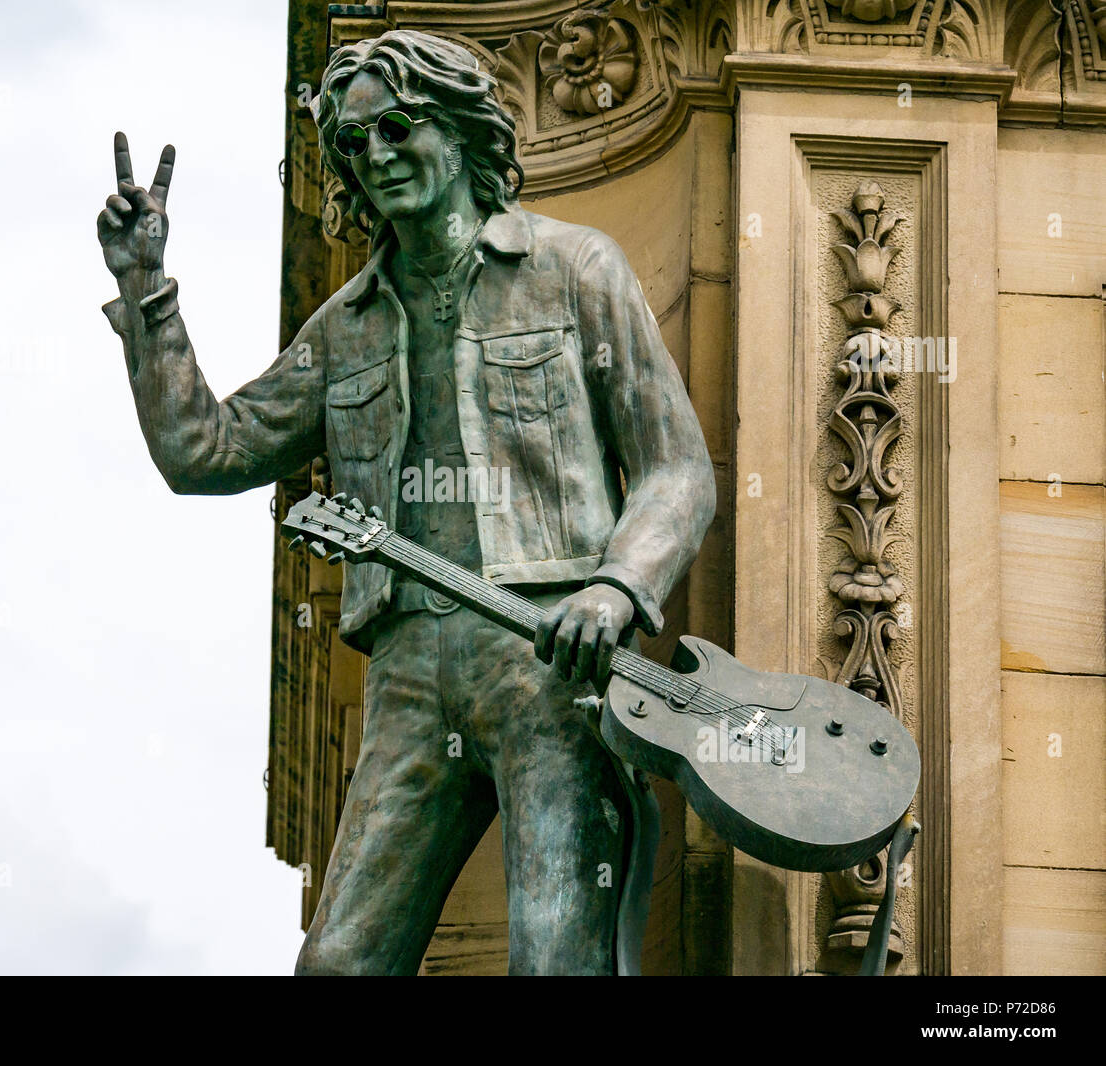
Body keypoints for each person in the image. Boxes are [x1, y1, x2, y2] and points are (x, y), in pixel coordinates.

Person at [97, 29, 715, 975]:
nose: (375, 155)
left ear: (461, 131)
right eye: (352, 144)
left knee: (559, 954)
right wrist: (148, 291)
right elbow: (204, 450)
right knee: (338, 965)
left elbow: (677, 469)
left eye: (396, 128)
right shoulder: (344, 328)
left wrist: (618, 588)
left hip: (548, 657)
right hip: (411, 674)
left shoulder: (576, 269)